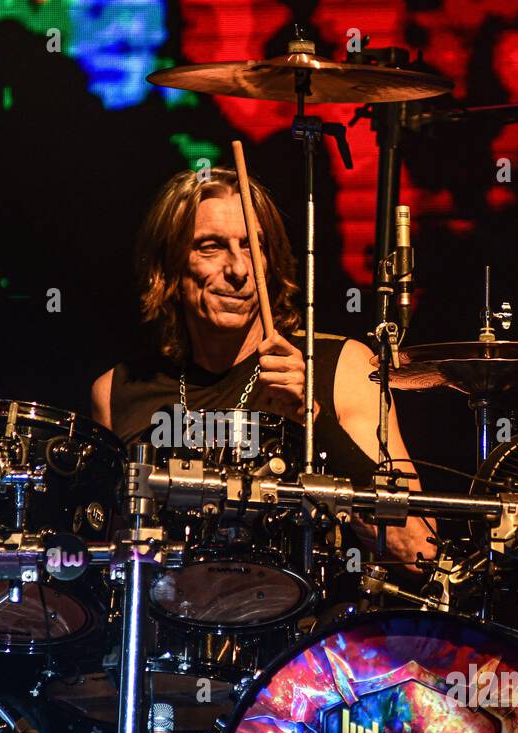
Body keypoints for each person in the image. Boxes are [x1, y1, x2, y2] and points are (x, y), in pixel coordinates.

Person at [91, 166, 434, 569]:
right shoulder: (118, 390)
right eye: (211, 246)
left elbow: (419, 550)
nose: (238, 269)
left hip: (306, 627)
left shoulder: (339, 367)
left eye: (253, 247)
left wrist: (316, 422)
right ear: (167, 266)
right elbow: (108, 568)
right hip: (168, 621)